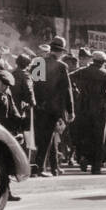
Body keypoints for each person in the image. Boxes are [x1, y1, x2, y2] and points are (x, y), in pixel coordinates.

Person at [32, 37, 74, 177]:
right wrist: (70, 110)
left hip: (38, 106)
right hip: (53, 108)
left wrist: (37, 102)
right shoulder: (61, 66)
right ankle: (39, 167)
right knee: (47, 137)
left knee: (48, 136)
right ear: (61, 52)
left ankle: (54, 167)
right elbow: (67, 90)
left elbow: (34, 84)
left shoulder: (38, 62)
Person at [0, 70, 26, 201]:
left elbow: (13, 112)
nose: (5, 88)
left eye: (7, 86)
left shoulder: (7, 94)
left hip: (5, 133)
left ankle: (6, 192)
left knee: (6, 163)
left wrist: (21, 120)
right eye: (3, 85)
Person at [72, 51, 106, 174]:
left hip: (84, 107)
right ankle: (96, 166)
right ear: (103, 62)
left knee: (85, 135)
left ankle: (84, 158)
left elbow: (69, 78)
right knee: (99, 137)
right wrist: (103, 101)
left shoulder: (82, 71)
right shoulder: (105, 73)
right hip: (100, 109)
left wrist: (77, 91)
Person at [11, 52, 37, 171]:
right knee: (25, 136)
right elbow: (29, 94)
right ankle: (24, 164)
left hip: (12, 107)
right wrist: (32, 103)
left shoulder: (12, 74)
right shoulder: (26, 75)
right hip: (22, 109)